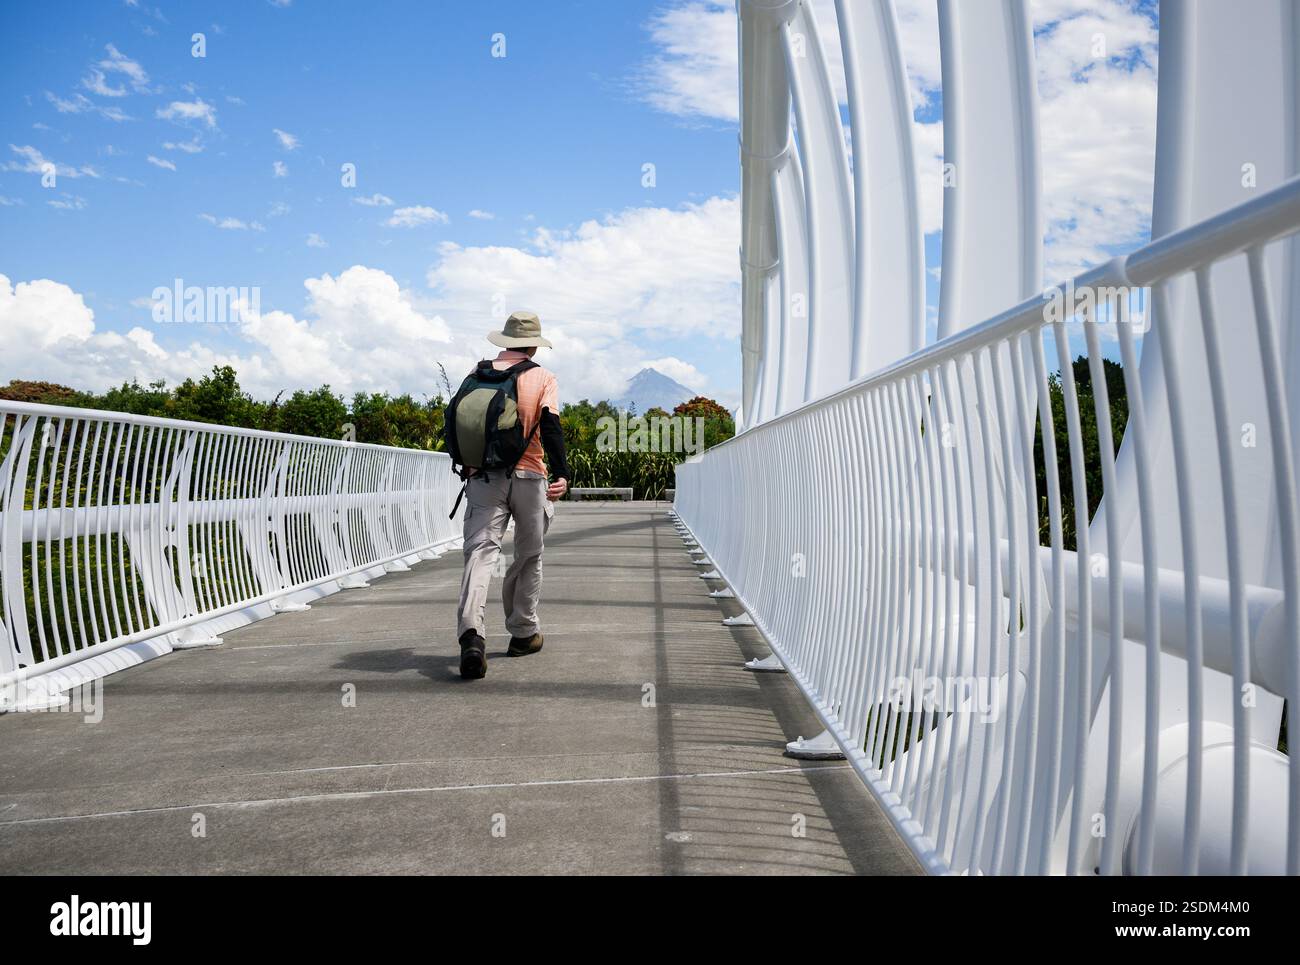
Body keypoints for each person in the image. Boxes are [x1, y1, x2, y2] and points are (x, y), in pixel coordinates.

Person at [455, 311, 569, 679]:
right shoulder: (542, 377)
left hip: (483, 477)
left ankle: (472, 634)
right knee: (528, 554)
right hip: (529, 476)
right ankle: (522, 633)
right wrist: (563, 472)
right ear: (534, 344)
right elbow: (550, 426)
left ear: (504, 341)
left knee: (481, 553)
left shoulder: (476, 375)